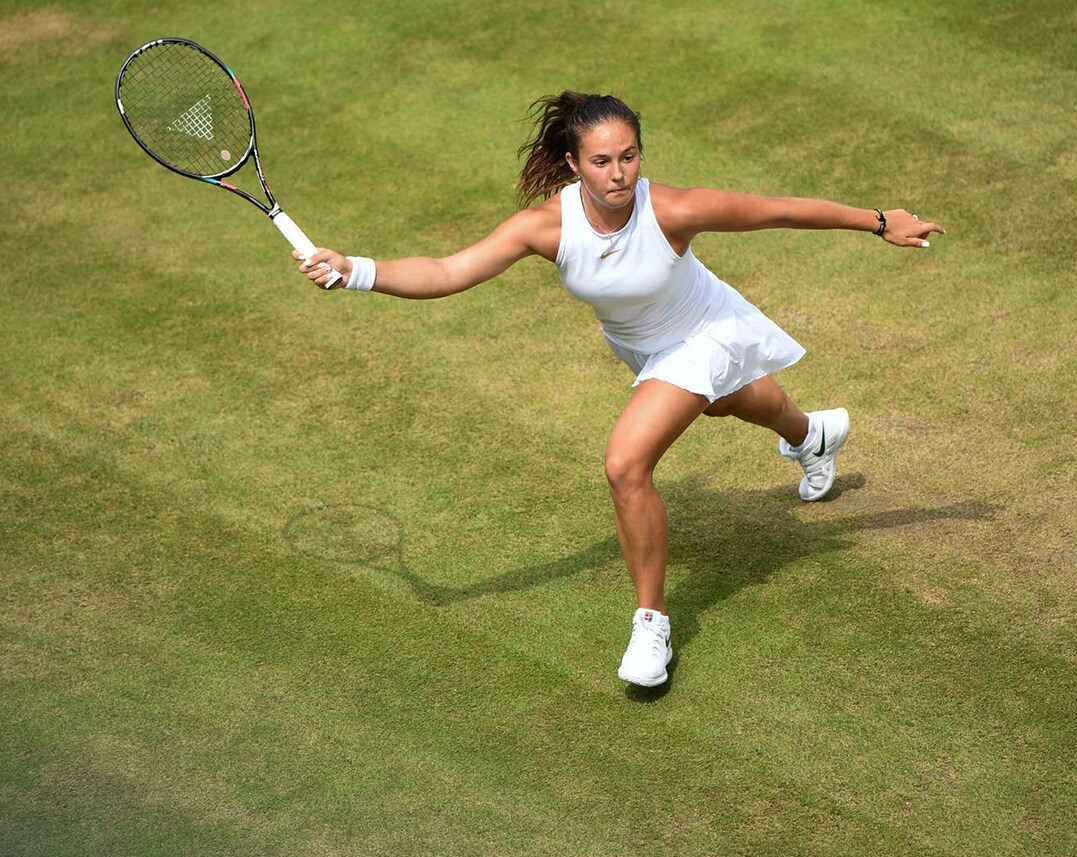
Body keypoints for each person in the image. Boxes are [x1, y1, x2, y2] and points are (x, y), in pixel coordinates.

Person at [295, 91, 944, 688]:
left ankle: (651, 627)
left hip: (704, 330)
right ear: (574, 163)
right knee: (724, 400)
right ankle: (812, 433)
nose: (618, 174)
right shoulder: (545, 226)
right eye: (601, 161)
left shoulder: (674, 210)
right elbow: (447, 270)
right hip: (643, 344)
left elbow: (781, 210)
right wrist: (355, 271)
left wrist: (879, 219)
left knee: (625, 466)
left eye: (629, 157)